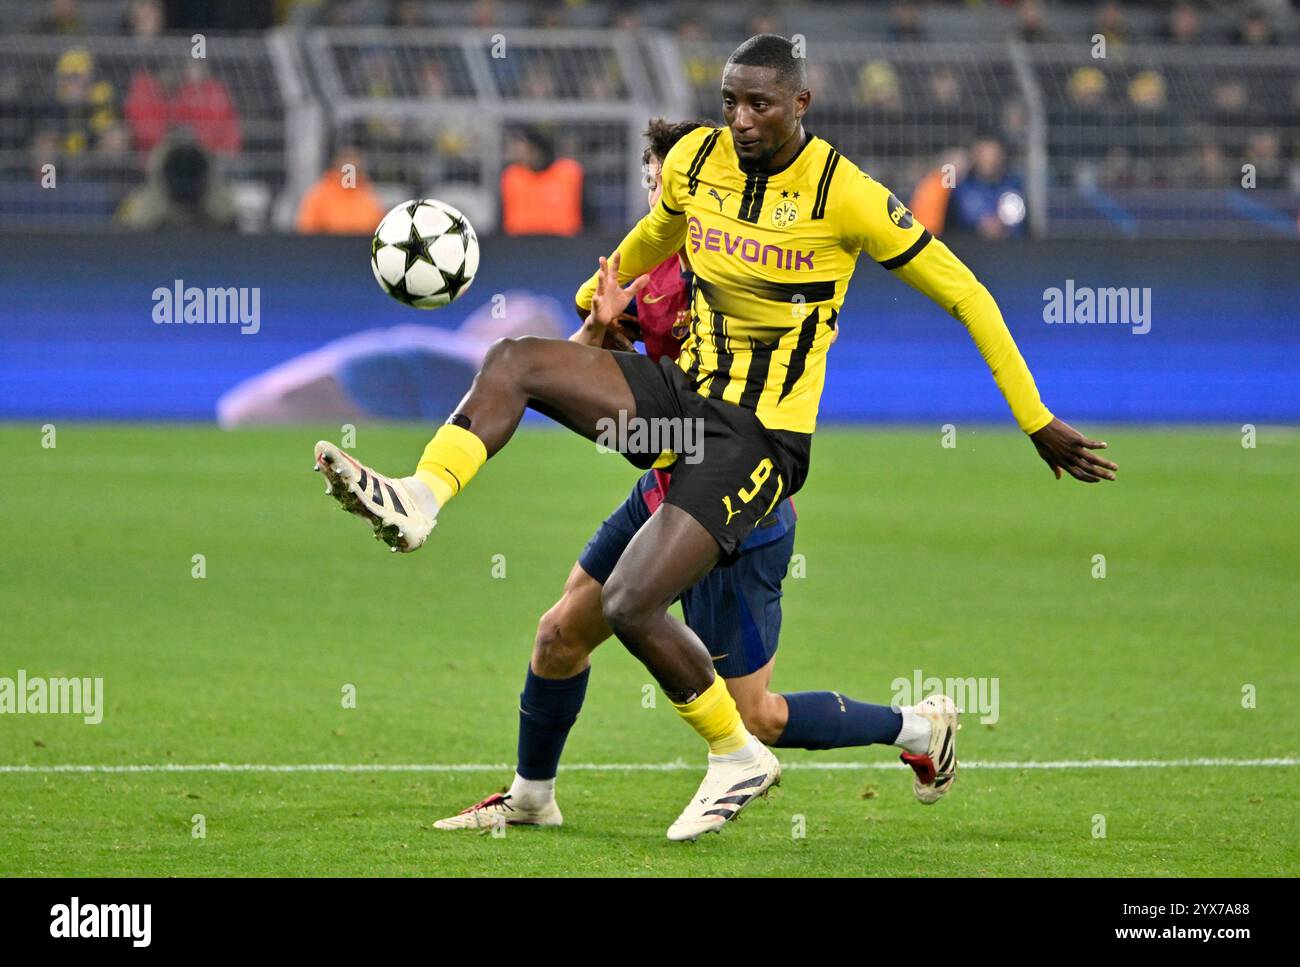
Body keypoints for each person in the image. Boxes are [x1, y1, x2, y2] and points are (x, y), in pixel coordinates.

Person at [312, 35, 1117, 841]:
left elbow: (968, 294)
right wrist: (601, 290)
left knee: (661, 629)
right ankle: (420, 501)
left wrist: (1033, 415)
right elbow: (658, 230)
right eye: (729, 100)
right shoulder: (700, 160)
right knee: (516, 364)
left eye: (758, 103)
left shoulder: (847, 195)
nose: (738, 118)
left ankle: (763, 751)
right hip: (684, 410)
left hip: (760, 440)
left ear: (800, 105)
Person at [433, 119, 950, 832]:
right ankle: (531, 795)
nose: (661, 199)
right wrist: (602, 333)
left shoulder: (721, 270)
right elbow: (615, 391)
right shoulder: (647, 271)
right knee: (559, 635)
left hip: (737, 507)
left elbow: (692, 401)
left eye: (667, 184)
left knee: (757, 715)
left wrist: (621, 365)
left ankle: (918, 730)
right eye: (652, 185)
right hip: (667, 488)